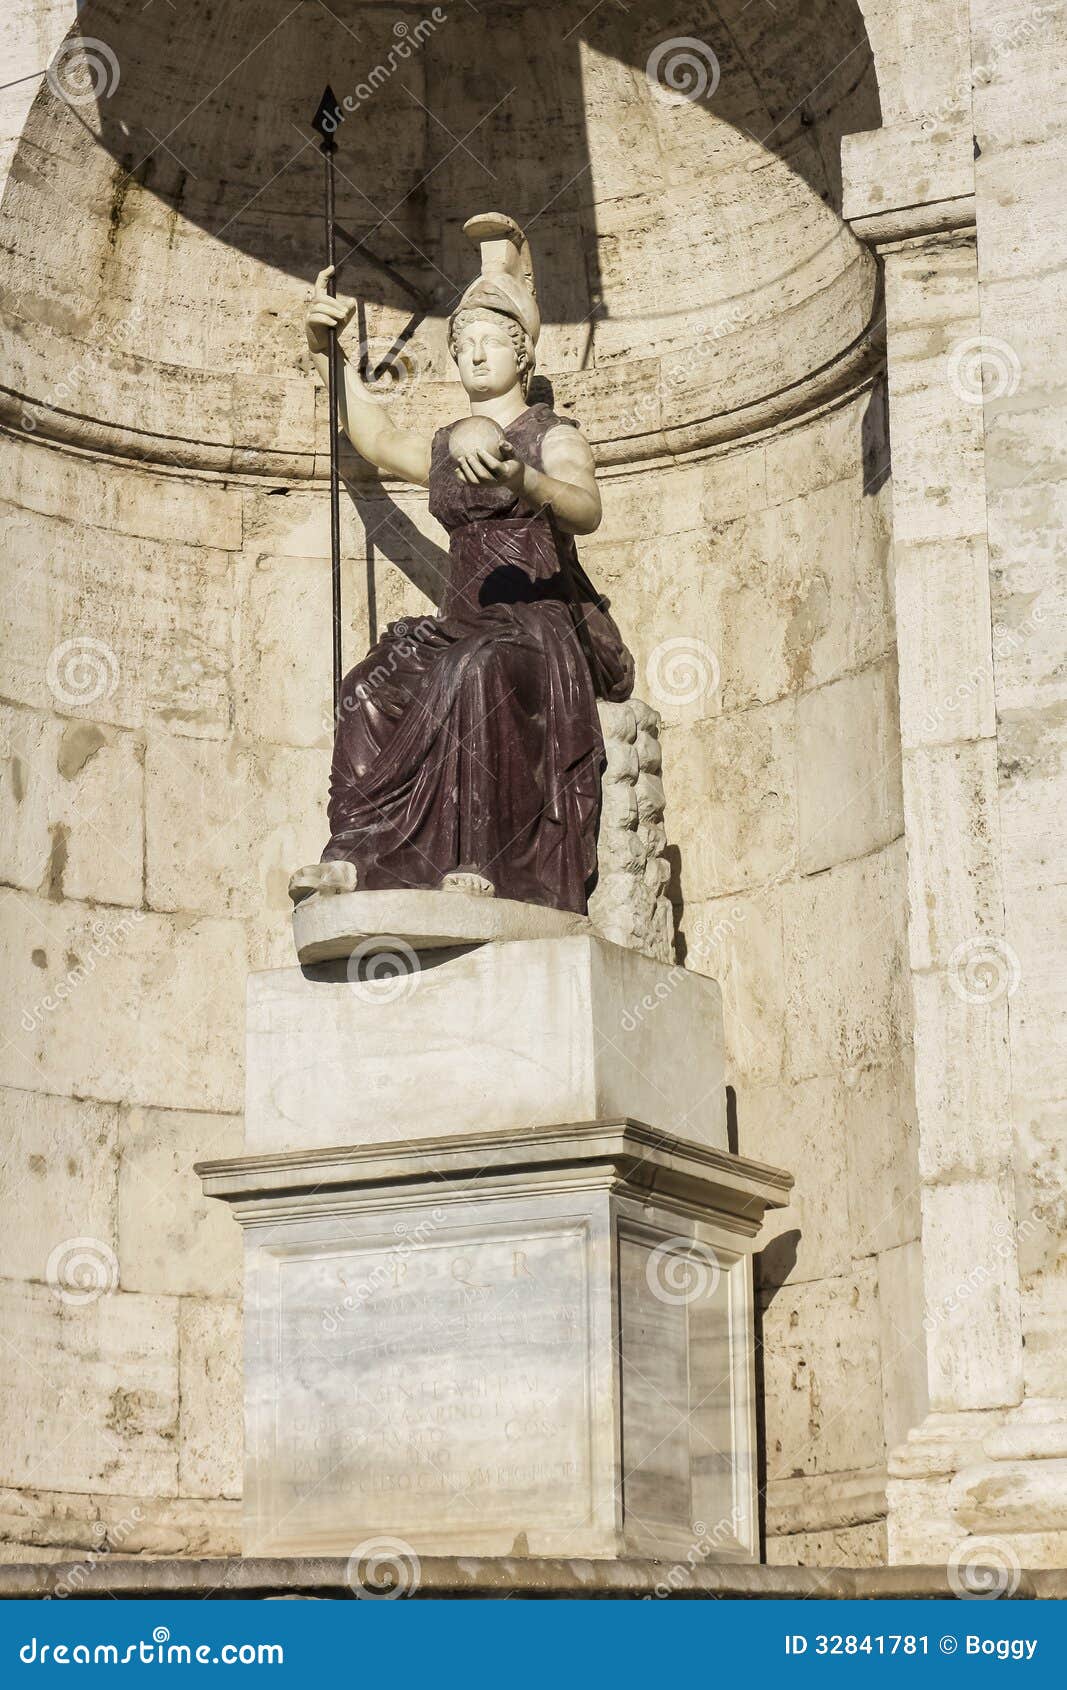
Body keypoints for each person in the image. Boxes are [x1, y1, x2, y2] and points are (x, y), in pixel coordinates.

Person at [293, 212, 632, 915]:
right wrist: (329, 352)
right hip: (465, 618)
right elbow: (378, 439)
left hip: (534, 628)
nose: (475, 355)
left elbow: (586, 509)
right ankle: (354, 854)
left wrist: (523, 480)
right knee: (366, 688)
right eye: (464, 344)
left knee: (475, 671)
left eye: (490, 342)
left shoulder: (550, 434)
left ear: (523, 356)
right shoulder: (453, 442)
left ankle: (482, 858)